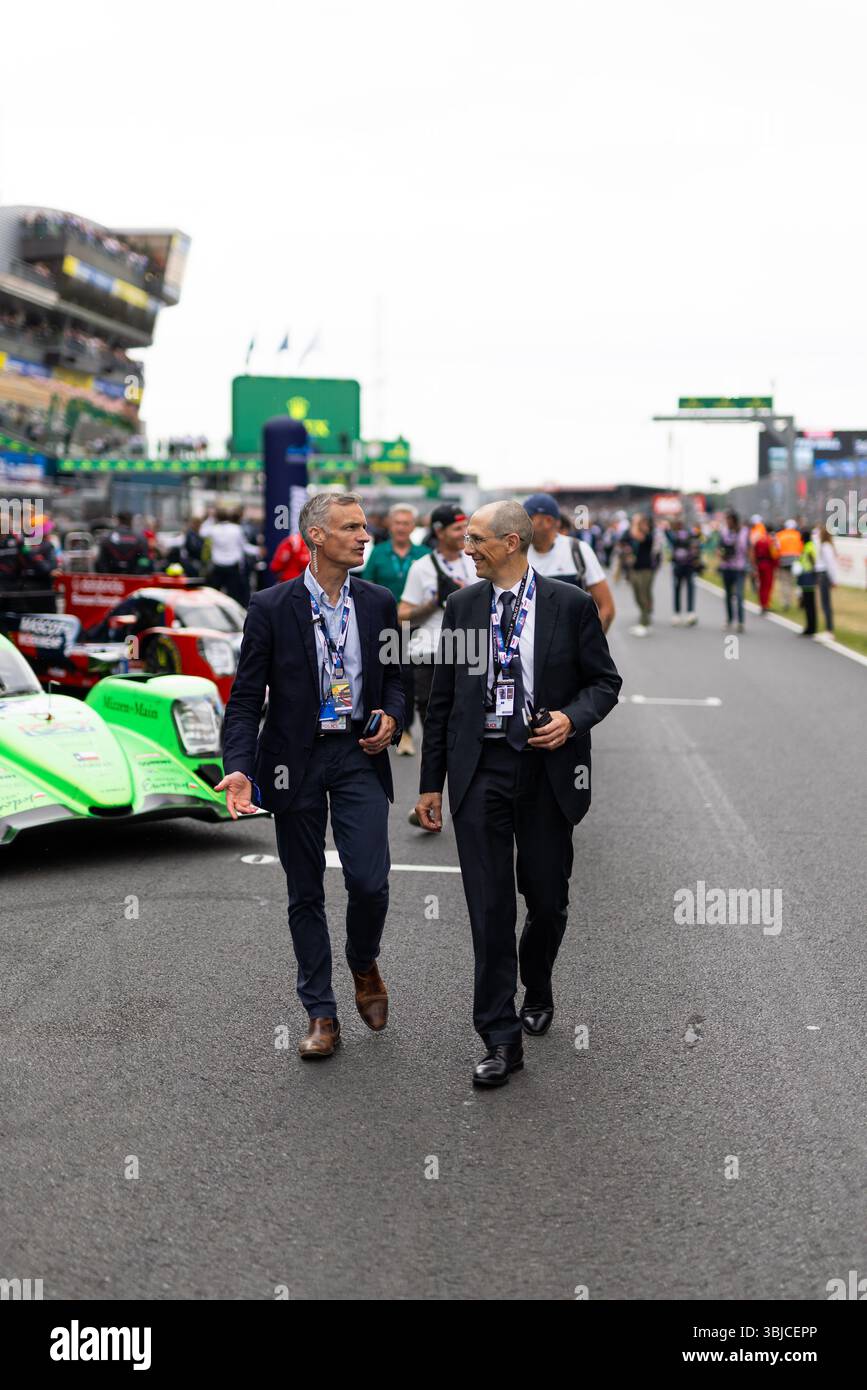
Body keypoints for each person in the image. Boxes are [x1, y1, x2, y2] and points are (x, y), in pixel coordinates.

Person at [415, 501, 622, 1089]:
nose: (466, 548)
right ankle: (499, 1037)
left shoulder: (571, 604)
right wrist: (432, 783)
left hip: (546, 769)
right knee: (489, 908)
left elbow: (604, 683)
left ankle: (539, 979)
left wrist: (572, 719)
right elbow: (444, 704)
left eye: (475, 539)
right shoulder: (463, 606)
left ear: (510, 542)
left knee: (548, 901)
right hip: (480, 770)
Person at [218, 493, 404, 1060]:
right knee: (305, 892)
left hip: (357, 754)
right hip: (292, 760)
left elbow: (396, 678)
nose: (364, 535)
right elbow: (247, 698)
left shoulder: (377, 602)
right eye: (351, 527)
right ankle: (320, 1012)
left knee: (370, 881)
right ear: (317, 537)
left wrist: (393, 717)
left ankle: (362, 960)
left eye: (365, 527)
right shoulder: (271, 606)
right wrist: (240, 770)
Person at [397, 500, 475, 731]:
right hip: (429, 653)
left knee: (466, 720)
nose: (464, 533)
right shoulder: (422, 567)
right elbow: (402, 617)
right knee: (434, 724)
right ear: (439, 532)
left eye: (466, 527)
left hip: (471, 649)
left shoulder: (477, 561)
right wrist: (434, 602)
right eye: (457, 528)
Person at [363, 504, 430, 756]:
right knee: (392, 677)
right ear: (390, 525)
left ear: (413, 526)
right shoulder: (378, 553)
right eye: (397, 522)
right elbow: (367, 585)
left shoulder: (424, 554)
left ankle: (408, 731)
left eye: (406, 523)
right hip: (386, 627)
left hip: (417, 625)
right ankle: (382, 726)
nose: (401, 527)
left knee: (413, 678)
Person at [522, 493, 615, 631]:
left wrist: (589, 646)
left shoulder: (578, 550)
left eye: (527, 519)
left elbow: (607, 608)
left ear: (548, 521)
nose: (521, 525)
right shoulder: (518, 553)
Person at [206, 508, 258, 606]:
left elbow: (202, 532)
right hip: (232, 566)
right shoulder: (237, 529)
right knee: (233, 596)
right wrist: (257, 550)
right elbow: (245, 547)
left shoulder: (213, 529)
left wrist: (210, 518)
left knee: (213, 595)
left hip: (218, 565)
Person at [621, 512, 660, 635]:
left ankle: (645, 623)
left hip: (646, 569)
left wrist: (635, 524)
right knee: (637, 594)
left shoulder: (649, 534)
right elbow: (622, 540)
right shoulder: (630, 532)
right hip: (634, 568)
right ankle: (645, 615)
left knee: (644, 594)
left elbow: (638, 536)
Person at [717, 509, 750, 632]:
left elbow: (748, 549)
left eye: (730, 520)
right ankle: (730, 619)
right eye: (727, 520)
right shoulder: (724, 532)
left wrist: (751, 566)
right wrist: (721, 554)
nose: (728, 522)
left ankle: (740, 622)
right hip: (727, 567)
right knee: (728, 595)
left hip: (739, 568)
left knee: (740, 595)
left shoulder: (744, 532)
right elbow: (719, 547)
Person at [667, 515, 701, 625]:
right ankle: (676, 613)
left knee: (690, 588)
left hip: (689, 565)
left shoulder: (690, 533)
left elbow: (697, 541)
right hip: (677, 565)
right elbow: (669, 537)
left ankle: (690, 612)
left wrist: (696, 559)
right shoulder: (673, 534)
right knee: (677, 588)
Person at [749, 514, 777, 612]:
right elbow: (774, 554)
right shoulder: (770, 540)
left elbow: (754, 552)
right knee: (767, 585)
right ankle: (765, 604)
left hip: (759, 564)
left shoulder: (759, 539)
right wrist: (775, 564)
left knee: (761, 586)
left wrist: (754, 564)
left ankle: (762, 604)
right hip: (768, 565)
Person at [814, 524, 838, 637]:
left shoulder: (826, 547)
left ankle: (829, 630)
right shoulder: (824, 546)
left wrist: (834, 580)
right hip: (823, 575)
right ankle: (828, 629)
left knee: (826, 603)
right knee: (824, 603)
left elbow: (831, 565)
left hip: (825, 575)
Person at [795, 527, 819, 636]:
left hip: (808, 576)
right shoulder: (807, 546)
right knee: (808, 603)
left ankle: (811, 627)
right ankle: (810, 626)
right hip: (806, 576)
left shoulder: (808, 546)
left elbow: (812, 560)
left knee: (809, 603)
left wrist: (814, 574)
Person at [775, 519, 803, 609]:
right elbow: (801, 548)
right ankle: (800, 600)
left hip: (783, 562)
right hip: (795, 562)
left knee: (785, 583)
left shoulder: (780, 535)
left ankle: (786, 602)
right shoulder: (798, 535)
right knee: (797, 583)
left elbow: (776, 548)